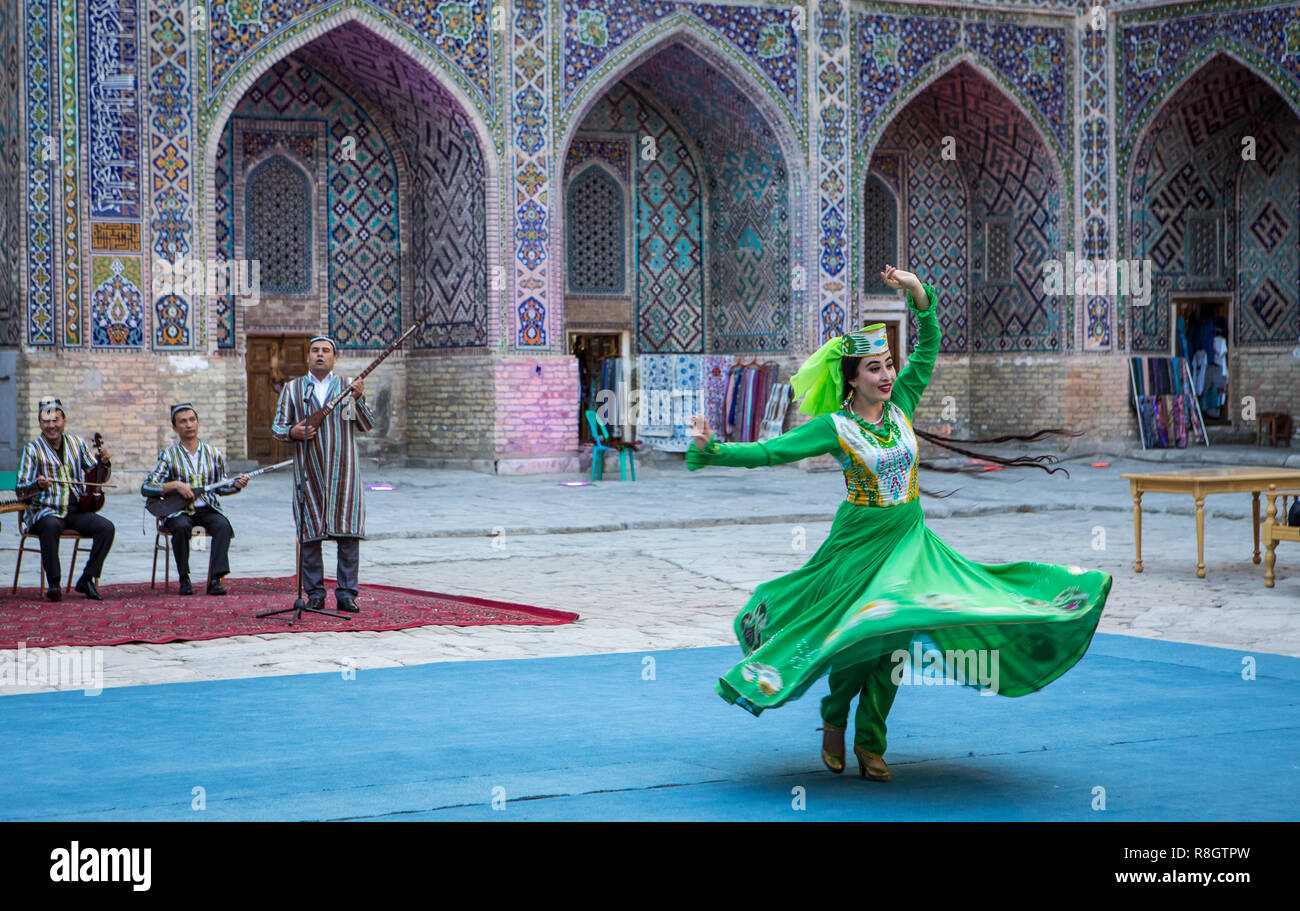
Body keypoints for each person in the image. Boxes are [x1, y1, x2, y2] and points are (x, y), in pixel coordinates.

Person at [686, 265, 1111, 781]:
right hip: (857, 546)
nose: (887, 375)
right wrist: (715, 451)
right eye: (874, 368)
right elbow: (771, 452)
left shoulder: (902, 405)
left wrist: (919, 295)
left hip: (910, 542)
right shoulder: (835, 428)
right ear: (851, 378)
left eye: (889, 365)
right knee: (852, 639)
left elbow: (929, 346)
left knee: (893, 640)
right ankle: (834, 717)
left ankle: (871, 742)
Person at [271, 335, 375, 613]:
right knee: (309, 535)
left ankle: (346, 594)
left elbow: (367, 424)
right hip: (309, 472)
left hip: (345, 473)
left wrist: (359, 398)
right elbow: (278, 428)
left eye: (325, 351)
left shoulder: (348, 386)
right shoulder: (293, 389)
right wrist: (292, 431)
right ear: (308, 357)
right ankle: (315, 593)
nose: (320, 355)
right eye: (315, 351)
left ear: (335, 358)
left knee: (348, 535)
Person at [140, 404, 250, 595]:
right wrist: (175, 485)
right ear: (175, 428)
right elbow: (147, 486)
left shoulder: (213, 454)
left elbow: (220, 487)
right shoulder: (168, 455)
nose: (189, 425)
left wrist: (236, 485)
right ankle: (184, 578)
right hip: (178, 511)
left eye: (192, 420)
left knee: (223, 525)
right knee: (181, 527)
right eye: (183, 421)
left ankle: (215, 579)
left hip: (206, 508)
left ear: (198, 423)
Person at [13, 397, 116, 601]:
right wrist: (37, 484)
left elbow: (95, 475)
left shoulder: (77, 444)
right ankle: (54, 583)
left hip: (75, 510)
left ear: (64, 420)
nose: (51, 425)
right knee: (51, 525)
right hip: (45, 511)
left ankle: (86, 578)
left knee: (106, 528)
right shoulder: (31, 450)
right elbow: (20, 490)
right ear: (40, 423)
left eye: (56, 420)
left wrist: (104, 463)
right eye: (46, 421)